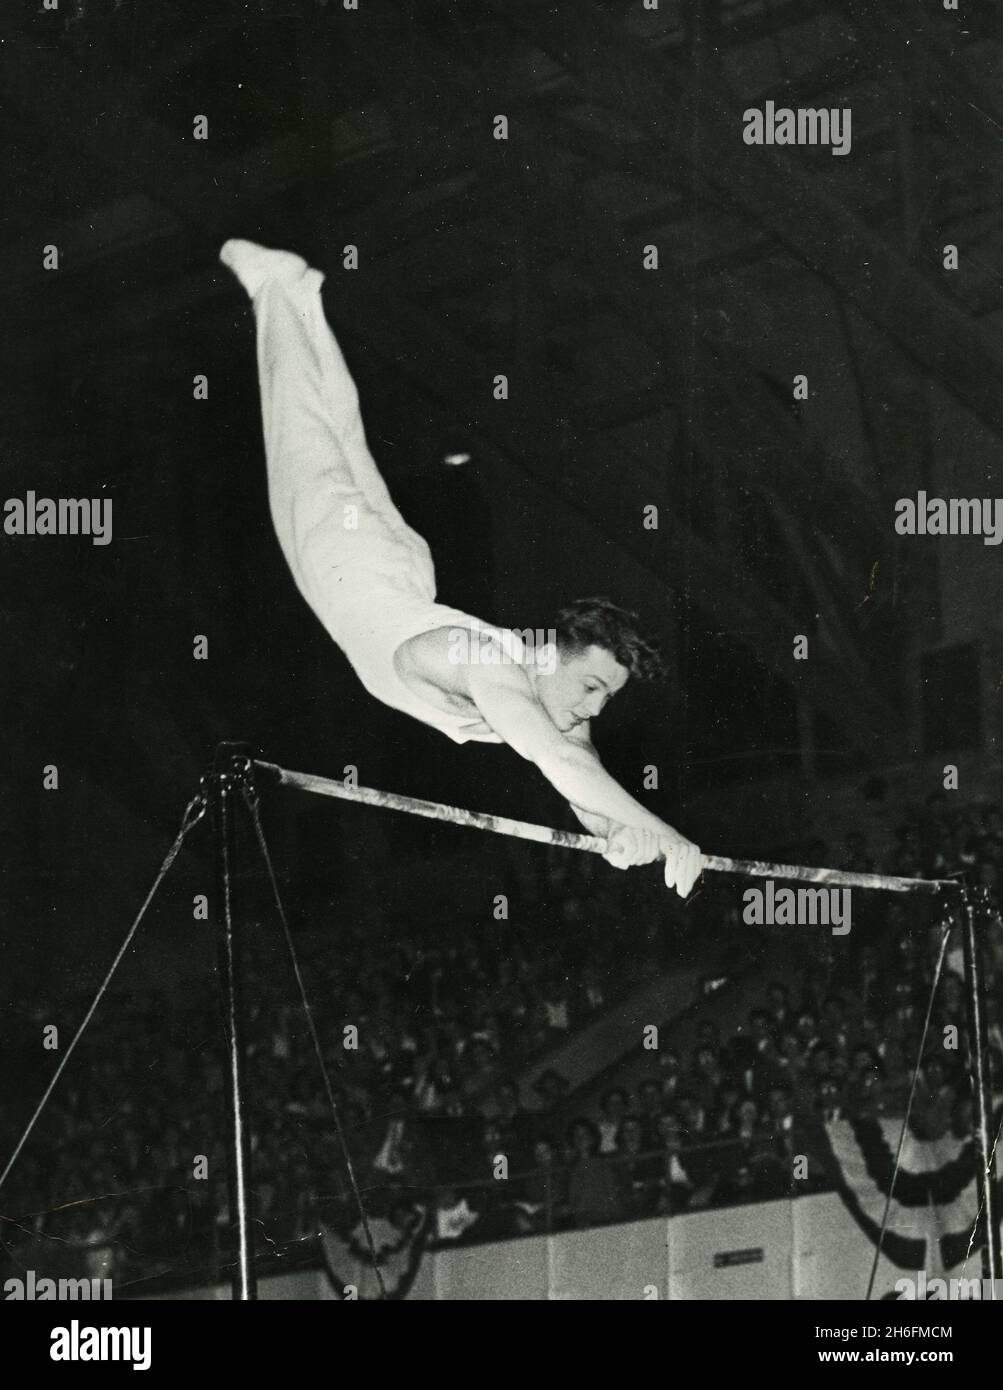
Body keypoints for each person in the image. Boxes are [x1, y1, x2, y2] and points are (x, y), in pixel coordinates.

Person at [220, 239, 702, 896]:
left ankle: (303, 297)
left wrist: (618, 835)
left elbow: (582, 783)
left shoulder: (554, 697)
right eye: (592, 686)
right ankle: (274, 289)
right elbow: (560, 763)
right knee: (303, 430)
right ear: (550, 655)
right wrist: (667, 836)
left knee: (343, 433)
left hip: (400, 574)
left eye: (606, 697)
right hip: (351, 564)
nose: (595, 707)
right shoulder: (488, 664)